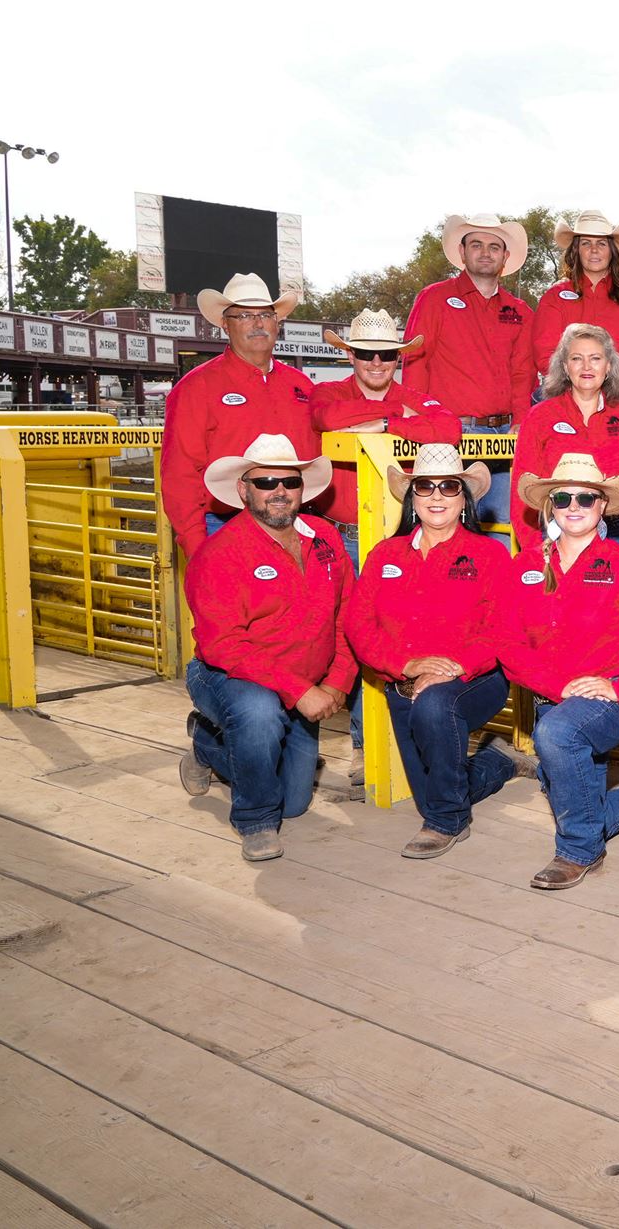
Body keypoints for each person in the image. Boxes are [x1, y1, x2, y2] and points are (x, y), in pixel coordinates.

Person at [498, 454, 619, 889]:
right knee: (563, 775)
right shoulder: (523, 566)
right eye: (563, 497)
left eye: (586, 497)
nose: (573, 505)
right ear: (550, 507)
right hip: (550, 698)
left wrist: (618, 686)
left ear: (603, 507)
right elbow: (506, 641)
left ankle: (579, 849)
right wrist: (558, 686)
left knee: (559, 740)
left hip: (610, 696)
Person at [180, 435, 353, 861]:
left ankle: (206, 743)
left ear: (302, 488)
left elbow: (348, 615)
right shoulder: (220, 553)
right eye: (265, 481)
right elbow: (224, 644)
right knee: (258, 714)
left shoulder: (326, 538)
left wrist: (337, 682)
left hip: (303, 683)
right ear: (243, 489)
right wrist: (300, 691)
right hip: (233, 675)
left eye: (289, 482)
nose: (279, 490)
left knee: (294, 804)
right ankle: (254, 820)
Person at [344, 443, 517, 859]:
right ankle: (496, 765)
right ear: (412, 497)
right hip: (403, 681)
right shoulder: (384, 554)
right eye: (425, 486)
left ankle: (448, 822)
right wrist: (405, 664)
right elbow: (358, 623)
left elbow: (504, 627)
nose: (437, 495)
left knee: (436, 712)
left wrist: (456, 667)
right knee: (433, 789)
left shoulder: (490, 554)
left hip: (476, 678)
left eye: (449, 486)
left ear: (464, 498)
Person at [162, 273, 319, 560]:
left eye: (266, 315)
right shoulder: (196, 388)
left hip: (295, 522)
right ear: (225, 324)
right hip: (224, 525)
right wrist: (198, 549)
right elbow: (180, 474)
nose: (258, 323)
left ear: (277, 323)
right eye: (245, 315)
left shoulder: (302, 387)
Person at [400, 213, 537, 528]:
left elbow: (523, 373)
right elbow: (416, 363)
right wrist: (423, 425)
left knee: (504, 523)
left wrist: (520, 421)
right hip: (453, 435)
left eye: (494, 246)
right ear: (462, 252)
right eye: (476, 244)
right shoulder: (434, 299)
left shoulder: (519, 311)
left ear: (505, 257)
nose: (485, 252)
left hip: (504, 437)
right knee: (449, 524)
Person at [309, 308, 460, 566]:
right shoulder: (329, 392)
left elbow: (450, 429)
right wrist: (397, 412)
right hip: (339, 539)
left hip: (401, 538)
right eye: (367, 354)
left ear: (398, 358)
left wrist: (386, 424)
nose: (377, 363)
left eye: (387, 354)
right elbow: (326, 418)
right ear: (350, 355)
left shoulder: (415, 398)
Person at [529, 212, 619, 434]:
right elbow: (544, 353)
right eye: (586, 243)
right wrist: (578, 386)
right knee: (540, 406)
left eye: (601, 243)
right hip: (566, 390)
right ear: (576, 250)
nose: (594, 250)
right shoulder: (555, 297)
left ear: (611, 252)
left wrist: (617, 386)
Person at [511, 324, 619, 542]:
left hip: (614, 528)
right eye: (576, 358)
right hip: (558, 525)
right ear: (565, 367)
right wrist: (533, 553)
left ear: (609, 366)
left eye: (595, 358)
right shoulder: (540, 416)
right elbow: (522, 492)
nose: (586, 367)